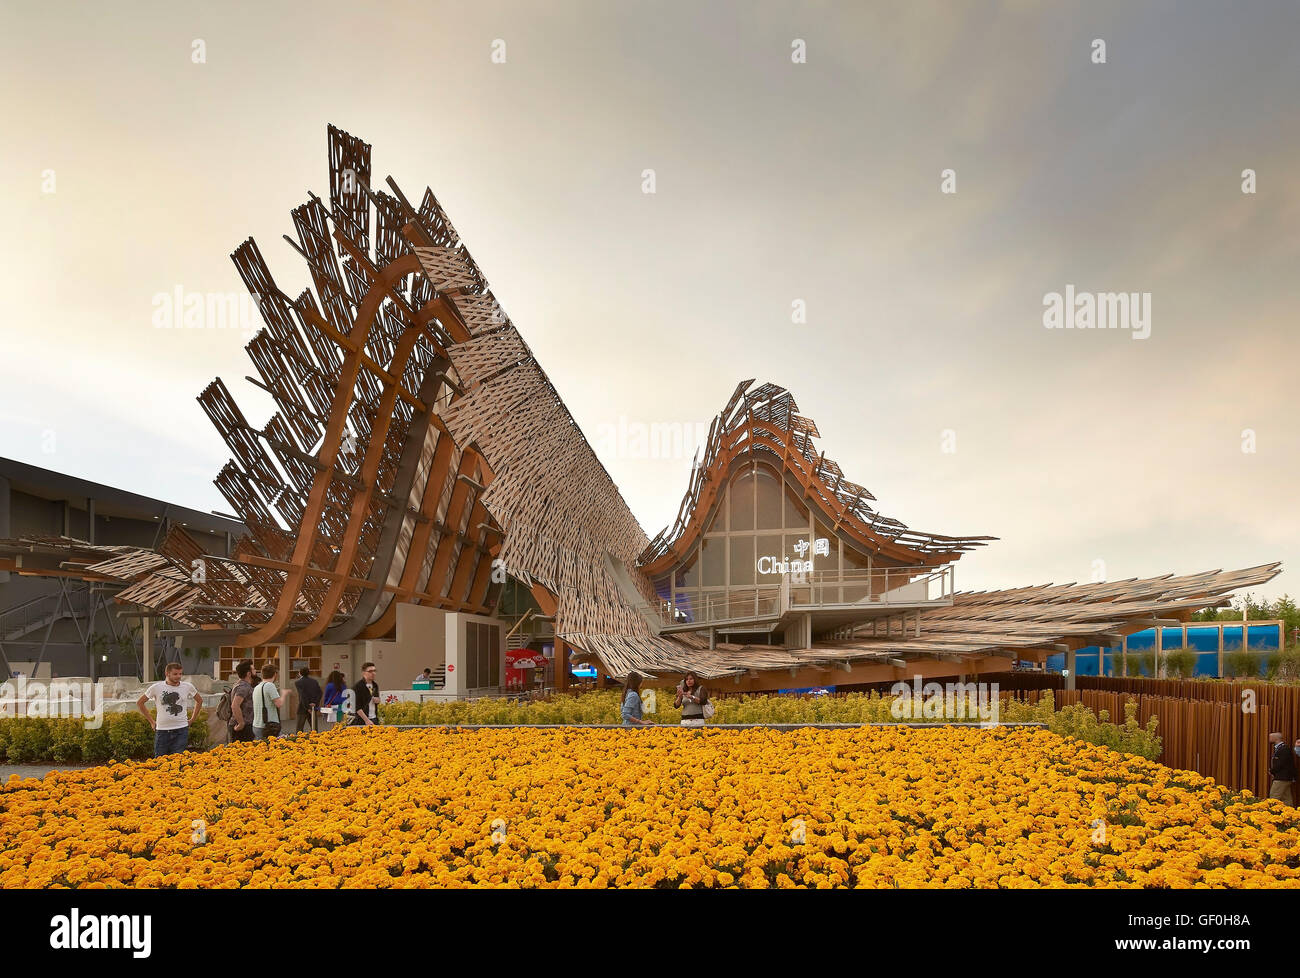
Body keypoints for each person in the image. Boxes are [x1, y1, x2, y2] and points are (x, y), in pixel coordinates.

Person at [136, 662, 203, 757]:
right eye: (175, 674)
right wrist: (151, 721)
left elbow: (199, 701)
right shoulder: (156, 687)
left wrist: (192, 719)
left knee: (178, 761)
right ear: (167, 674)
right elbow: (140, 702)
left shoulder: (187, 686)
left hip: (181, 730)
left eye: (180, 674)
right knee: (160, 761)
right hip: (162, 730)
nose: (178, 676)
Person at [252, 663, 284, 739]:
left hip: (257, 725)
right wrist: (284, 694)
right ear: (275, 674)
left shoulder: (257, 687)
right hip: (269, 726)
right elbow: (279, 704)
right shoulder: (270, 685)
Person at [228, 660, 256, 743]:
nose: (255, 671)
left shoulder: (241, 684)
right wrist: (241, 723)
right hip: (243, 727)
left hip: (245, 724)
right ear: (248, 673)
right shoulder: (243, 687)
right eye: (253, 669)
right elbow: (235, 705)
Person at [294, 667, 322, 734]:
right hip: (313, 706)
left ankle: (299, 741)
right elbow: (320, 693)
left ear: (300, 673)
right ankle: (316, 740)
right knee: (314, 727)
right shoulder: (314, 681)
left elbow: (303, 696)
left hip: (303, 707)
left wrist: (307, 707)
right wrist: (315, 703)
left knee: (299, 728)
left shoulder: (298, 682)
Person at [1269, 732, 1295, 803]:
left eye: (1270, 737)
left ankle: (1271, 812)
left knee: (1273, 797)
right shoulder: (1281, 748)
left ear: (1275, 738)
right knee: (1286, 799)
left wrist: (1272, 771)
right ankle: (1290, 813)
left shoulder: (1284, 749)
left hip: (1281, 777)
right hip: (1285, 777)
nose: (1269, 739)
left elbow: (1280, 763)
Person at [351, 662, 380, 727]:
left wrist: (377, 700)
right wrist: (366, 720)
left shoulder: (375, 685)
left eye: (374, 671)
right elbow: (357, 706)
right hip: (362, 720)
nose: (373, 673)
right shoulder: (358, 686)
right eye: (370, 671)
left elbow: (376, 699)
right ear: (364, 673)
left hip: (374, 718)